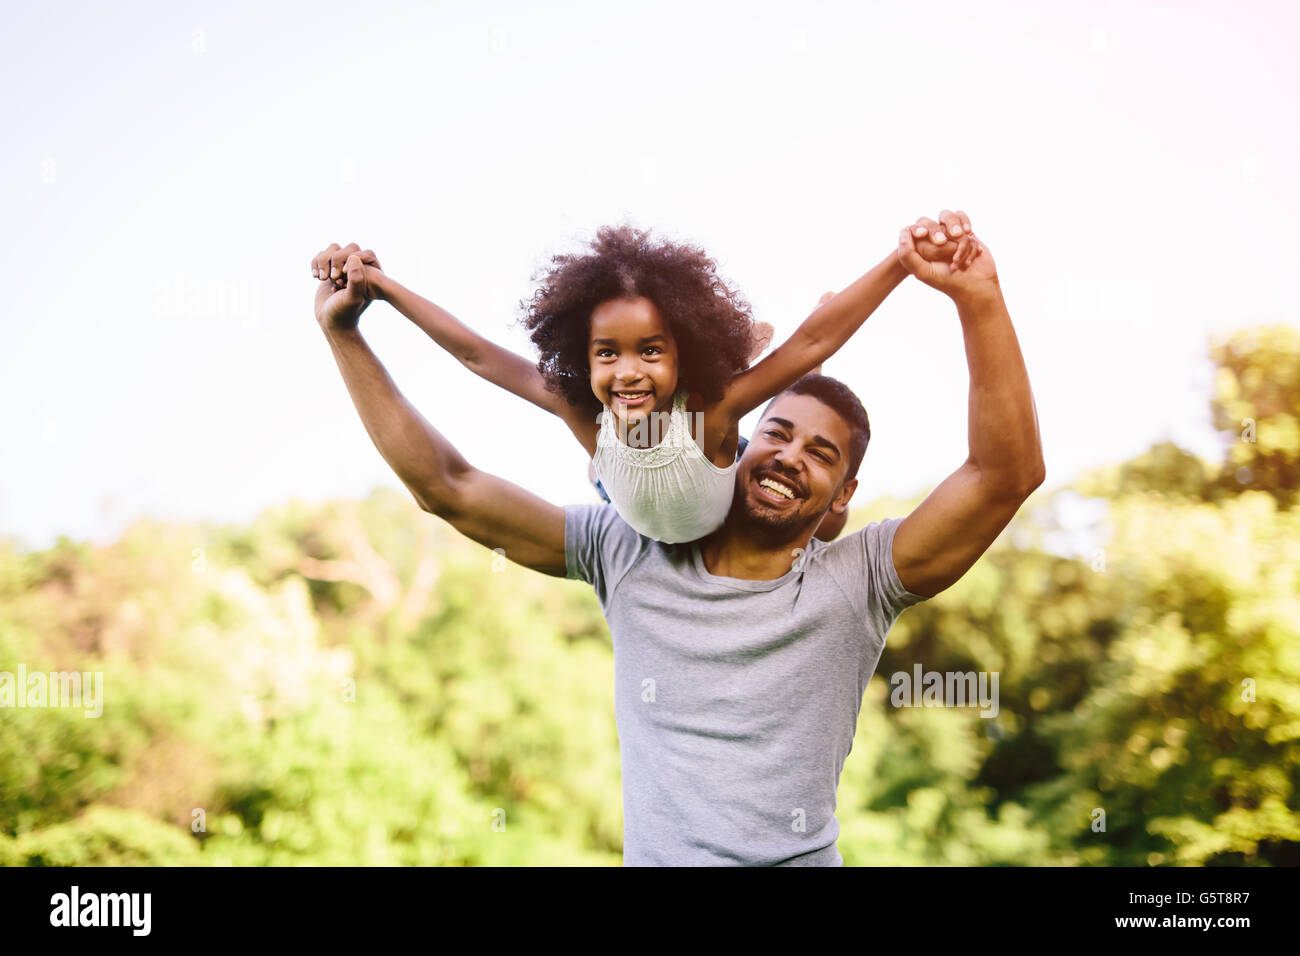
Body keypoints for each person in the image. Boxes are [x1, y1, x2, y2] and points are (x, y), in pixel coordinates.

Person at [309, 209, 1044, 865]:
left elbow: (1003, 474)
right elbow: (450, 487)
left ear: (842, 499)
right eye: (779, 434)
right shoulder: (624, 550)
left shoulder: (858, 582)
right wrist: (345, 334)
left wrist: (977, 299)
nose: (790, 455)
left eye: (822, 455)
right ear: (742, 445)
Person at [316, 222, 977, 544]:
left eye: (651, 352)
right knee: (610, 451)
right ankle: (749, 342)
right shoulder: (582, 410)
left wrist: (901, 263)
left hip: (713, 472)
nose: (627, 372)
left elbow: (815, 337)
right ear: (584, 352)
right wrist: (382, 288)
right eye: (607, 353)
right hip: (621, 494)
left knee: (820, 522)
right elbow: (477, 356)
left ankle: (753, 352)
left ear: (681, 353)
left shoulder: (711, 413)